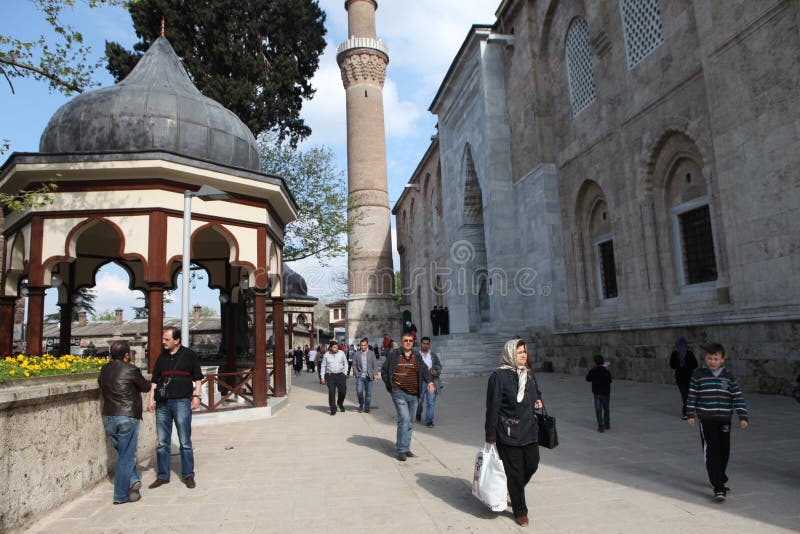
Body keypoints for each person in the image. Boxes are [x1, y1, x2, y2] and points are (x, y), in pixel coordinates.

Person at [485, 339, 543, 527]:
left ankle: (513, 488)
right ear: (510, 354)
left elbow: (537, 392)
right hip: (509, 432)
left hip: (529, 430)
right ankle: (520, 511)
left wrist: (538, 401)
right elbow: (493, 407)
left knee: (532, 464)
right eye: (519, 352)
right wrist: (490, 436)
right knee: (516, 472)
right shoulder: (498, 377)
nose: (523, 355)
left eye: (524, 351)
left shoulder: (528, 373)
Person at [686, 342, 748, 502]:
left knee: (724, 451)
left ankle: (721, 476)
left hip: (724, 419)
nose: (712, 361)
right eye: (709, 358)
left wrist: (742, 416)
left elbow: (737, 396)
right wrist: (690, 413)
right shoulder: (698, 374)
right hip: (706, 419)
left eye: (715, 359)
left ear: (722, 360)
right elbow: (692, 394)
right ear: (705, 358)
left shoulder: (728, 376)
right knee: (712, 451)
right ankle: (718, 487)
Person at [147, 327, 203, 490]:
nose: (163, 342)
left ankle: (188, 475)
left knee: (184, 441)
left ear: (177, 340)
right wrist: (150, 400)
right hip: (162, 403)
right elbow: (155, 380)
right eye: (163, 339)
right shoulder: (162, 357)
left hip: (181, 402)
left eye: (167, 339)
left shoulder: (189, 355)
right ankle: (163, 476)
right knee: (162, 442)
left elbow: (198, 378)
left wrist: (197, 396)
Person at [98, 340, 151, 504]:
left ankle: (133, 480)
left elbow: (100, 383)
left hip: (110, 416)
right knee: (126, 458)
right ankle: (120, 496)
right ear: (127, 355)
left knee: (123, 453)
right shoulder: (131, 369)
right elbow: (145, 387)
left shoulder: (104, 369)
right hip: (127, 416)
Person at [381, 333, 435, 461]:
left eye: (410, 340)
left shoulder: (416, 355)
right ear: (401, 342)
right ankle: (401, 451)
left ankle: (406, 447)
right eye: (406, 340)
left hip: (414, 394)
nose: (408, 342)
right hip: (399, 392)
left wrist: (430, 382)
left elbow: (425, 369)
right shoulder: (394, 354)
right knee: (404, 419)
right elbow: (384, 371)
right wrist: (391, 386)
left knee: (410, 422)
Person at [415, 336, 442, 427]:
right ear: (421, 344)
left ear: (429, 345)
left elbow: (439, 366)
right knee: (419, 401)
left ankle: (429, 421)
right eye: (424, 343)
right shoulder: (416, 355)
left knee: (430, 402)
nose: (425, 345)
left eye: (427, 344)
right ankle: (418, 413)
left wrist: (434, 371)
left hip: (431, 381)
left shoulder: (433, 355)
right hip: (420, 381)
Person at [670, 337, 698, 419]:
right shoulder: (689, 353)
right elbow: (695, 365)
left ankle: (686, 413)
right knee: (689, 395)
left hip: (680, 378)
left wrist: (680, 365)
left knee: (685, 395)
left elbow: (672, 365)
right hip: (689, 377)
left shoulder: (675, 354)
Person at [319, 341, 348, 415]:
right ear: (330, 348)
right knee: (331, 393)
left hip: (341, 375)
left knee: (343, 392)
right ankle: (333, 408)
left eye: (337, 347)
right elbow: (323, 366)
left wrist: (345, 373)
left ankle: (340, 403)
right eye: (334, 347)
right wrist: (322, 377)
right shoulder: (326, 355)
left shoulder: (341, 353)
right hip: (330, 376)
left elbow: (346, 363)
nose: (336, 348)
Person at [586, 354, 612, 432]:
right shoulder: (606, 371)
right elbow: (610, 381)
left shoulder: (593, 370)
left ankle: (601, 426)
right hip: (606, 392)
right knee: (606, 408)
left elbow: (588, 378)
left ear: (595, 362)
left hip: (597, 392)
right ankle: (607, 424)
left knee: (598, 409)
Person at [352, 337, 378, 413]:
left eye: (364, 345)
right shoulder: (356, 354)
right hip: (360, 376)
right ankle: (361, 403)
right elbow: (354, 365)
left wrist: (375, 374)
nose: (362, 347)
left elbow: (375, 364)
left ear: (367, 345)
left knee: (368, 393)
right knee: (359, 391)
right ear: (360, 345)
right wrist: (356, 373)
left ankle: (367, 407)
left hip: (369, 376)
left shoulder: (371, 353)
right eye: (361, 345)